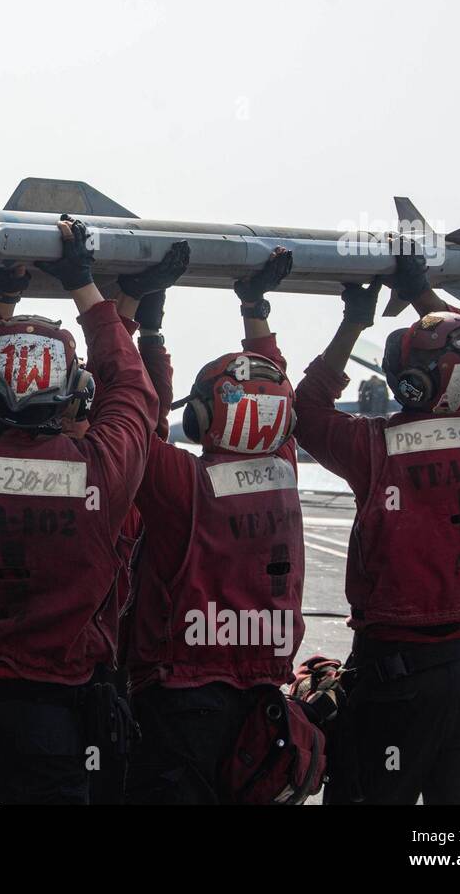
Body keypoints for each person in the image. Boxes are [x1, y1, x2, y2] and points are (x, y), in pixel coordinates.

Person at [0, 217, 159, 804]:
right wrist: (87, 289)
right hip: (51, 719)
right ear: (71, 390)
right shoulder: (99, 473)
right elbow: (132, 392)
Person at [293, 248, 460, 805]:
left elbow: (307, 410)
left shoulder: (376, 447)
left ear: (410, 385)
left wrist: (353, 324)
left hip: (395, 677)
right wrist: (423, 292)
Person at [119, 248, 306, 804]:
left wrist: (132, 322)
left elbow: (129, 414)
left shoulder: (182, 483)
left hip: (179, 703)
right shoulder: (283, 470)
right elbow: (277, 394)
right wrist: (255, 311)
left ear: (200, 419)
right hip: (261, 709)